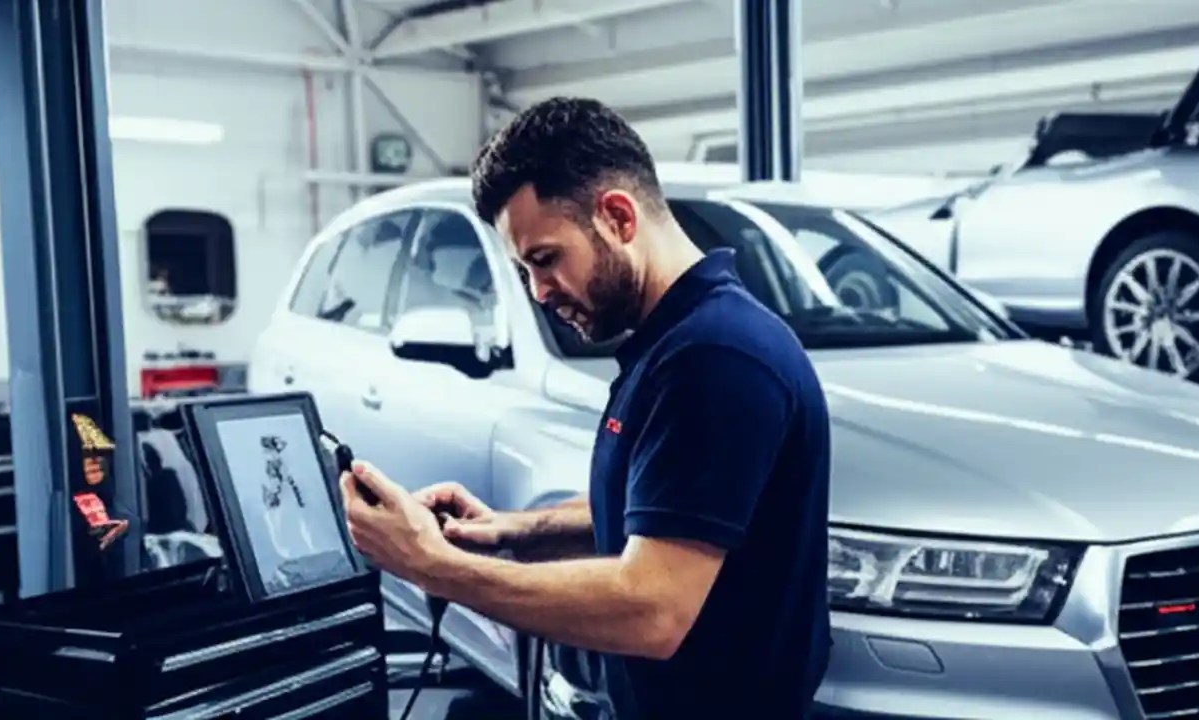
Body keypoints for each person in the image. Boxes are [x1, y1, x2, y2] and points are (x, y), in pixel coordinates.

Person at [339, 96, 832, 719]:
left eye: (544, 259)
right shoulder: (678, 341)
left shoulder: (713, 359)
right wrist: (512, 529)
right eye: (524, 270)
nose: (540, 291)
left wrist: (432, 566)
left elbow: (651, 609)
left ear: (618, 216)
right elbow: (671, 509)